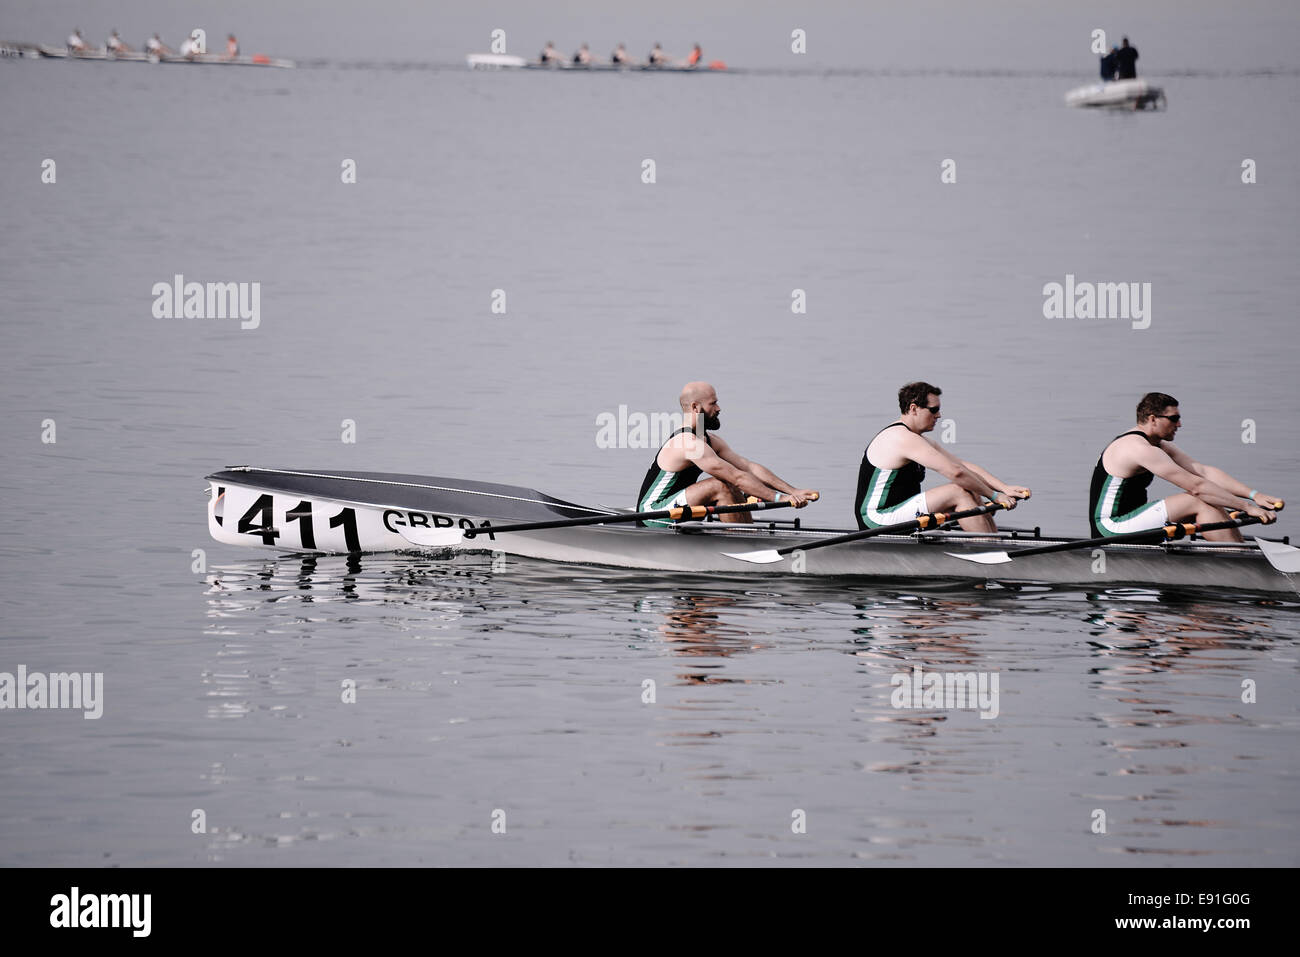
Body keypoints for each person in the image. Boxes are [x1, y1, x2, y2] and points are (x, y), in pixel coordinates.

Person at [1089, 393, 1279, 542]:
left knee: (1213, 497)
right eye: (1174, 418)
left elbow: (1203, 472)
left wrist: (1255, 495)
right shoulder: (1139, 449)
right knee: (1199, 500)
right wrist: (1247, 508)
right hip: (1111, 527)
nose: (1179, 424)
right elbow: (1197, 487)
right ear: (1153, 419)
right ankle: (1240, 562)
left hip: (1131, 520)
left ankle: (1240, 555)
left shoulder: (1157, 445)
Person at [636, 382, 818, 527]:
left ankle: (750, 538)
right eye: (713, 403)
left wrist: (793, 491)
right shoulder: (688, 443)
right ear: (695, 407)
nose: (719, 408)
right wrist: (780, 498)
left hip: (680, 509)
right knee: (720, 484)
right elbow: (737, 477)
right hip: (653, 513)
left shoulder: (710, 440)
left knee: (729, 483)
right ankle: (743, 544)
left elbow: (748, 467)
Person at [855, 382, 1031, 532]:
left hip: (898, 512)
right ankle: (989, 550)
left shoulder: (918, 439)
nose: (939, 415)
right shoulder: (901, 438)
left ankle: (995, 545)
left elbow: (962, 466)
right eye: (934, 410)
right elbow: (956, 473)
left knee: (970, 487)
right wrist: (994, 496)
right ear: (914, 409)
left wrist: (1004, 488)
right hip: (876, 518)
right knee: (958, 490)